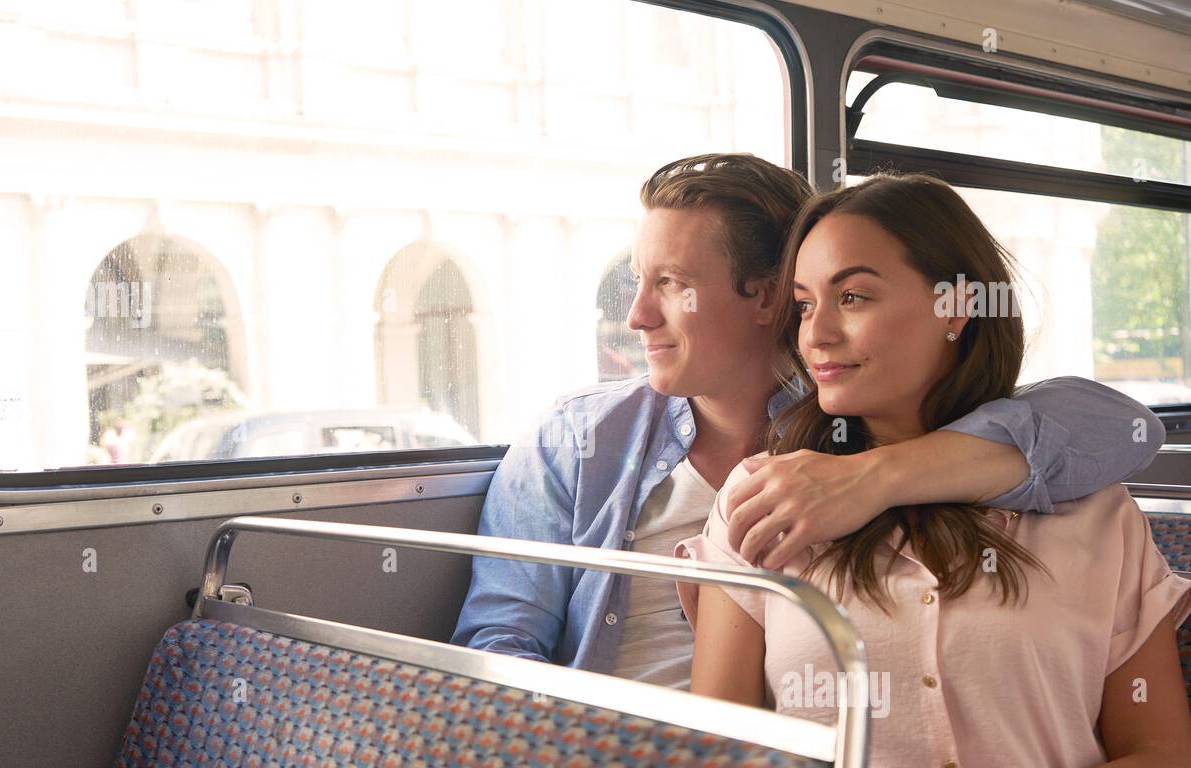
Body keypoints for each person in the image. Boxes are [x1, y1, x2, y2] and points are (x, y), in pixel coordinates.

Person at [451, 154, 1164, 686]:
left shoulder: (862, 413)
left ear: (765, 298)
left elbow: (1117, 427)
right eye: (640, 282)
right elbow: (496, 647)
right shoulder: (576, 444)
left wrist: (878, 477)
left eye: (671, 285)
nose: (636, 316)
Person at [676, 172, 1191, 768]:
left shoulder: (1092, 508)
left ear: (955, 308)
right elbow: (720, 765)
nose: (818, 333)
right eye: (803, 306)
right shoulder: (760, 500)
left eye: (853, 297)